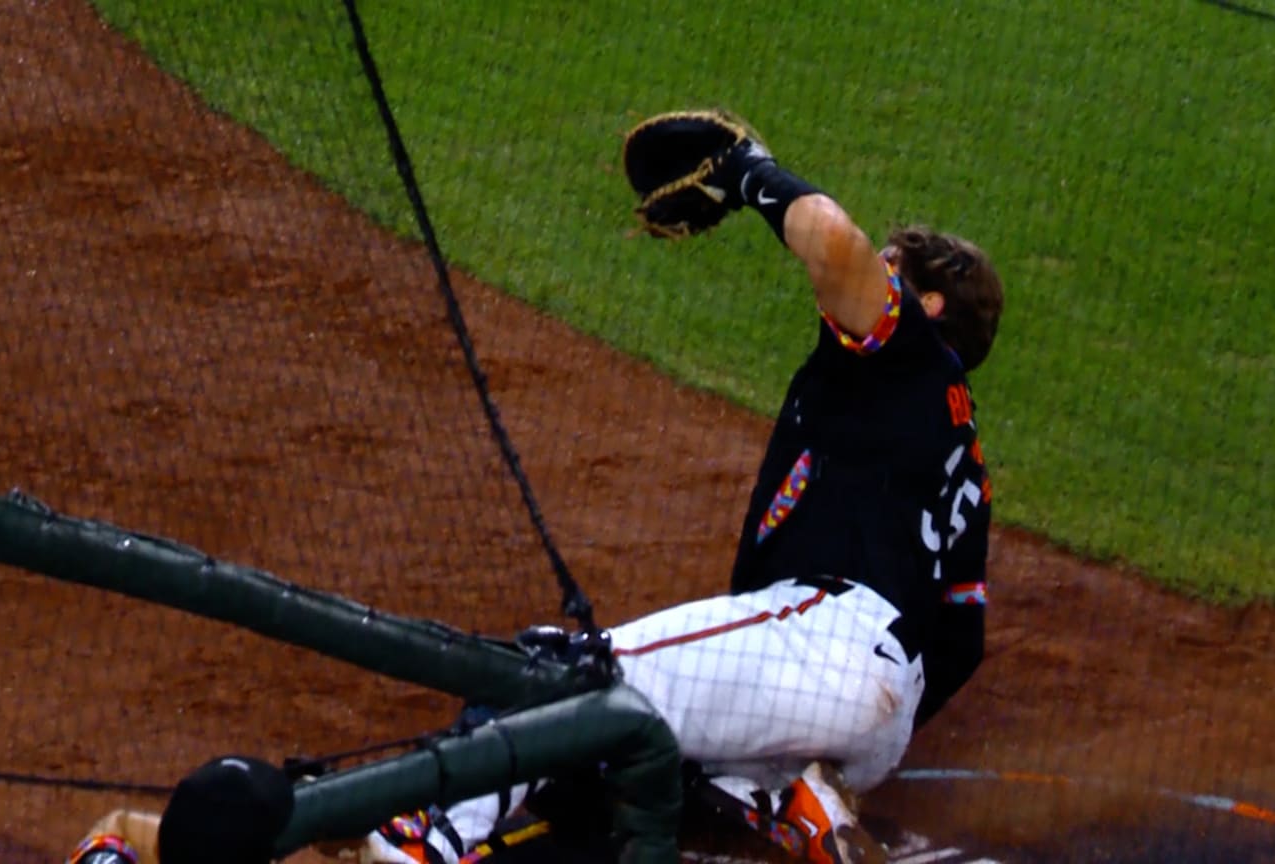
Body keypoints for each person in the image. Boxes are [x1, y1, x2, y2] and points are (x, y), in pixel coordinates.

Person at [64, 122, 1003, 864]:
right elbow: (960, 642)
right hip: (873, 703)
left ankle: (424, 838)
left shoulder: (904, 357)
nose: (874, 278)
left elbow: (829, 241)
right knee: (639, 759)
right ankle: (787, 794)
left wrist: (748, 170)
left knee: (566, 678)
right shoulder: (963, 457)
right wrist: (870, 719)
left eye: (894, 272)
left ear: (927, 310)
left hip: (823, 639)